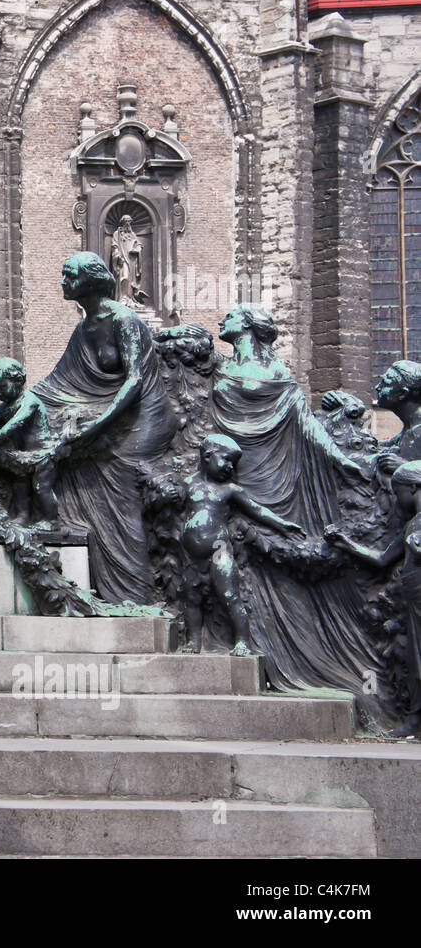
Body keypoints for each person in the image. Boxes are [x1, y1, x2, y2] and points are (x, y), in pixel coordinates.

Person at [210, 303, 390, 723]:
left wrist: (339, 459)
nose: (224, 321)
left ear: (250, 326)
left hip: (274, 475)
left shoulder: (277, 377)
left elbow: (305, 422)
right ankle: (240, 634)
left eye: (233, 316)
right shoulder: (217, 371)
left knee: (277, 553)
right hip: (231, 469)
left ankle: (294, 644)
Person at [29, 252, 176, 604]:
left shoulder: (124, 319)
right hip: (109, 414)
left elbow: (136, 381)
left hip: (143, 419)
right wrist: (21, 407)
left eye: (68, 275)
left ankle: (134, 594)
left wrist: (96, 425)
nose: (62, 281)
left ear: (89, 279)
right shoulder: (84, 328)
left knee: (117, 489)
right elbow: (57, 384)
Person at [180, 434, 304, 655]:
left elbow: (256, 510)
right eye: (227, 460)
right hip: (191, 555)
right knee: (191, 598)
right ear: (208, 457)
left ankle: (242, 641)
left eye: (233, 464)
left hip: (218, 550)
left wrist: (283, 525)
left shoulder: (230, 490)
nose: (230, 467)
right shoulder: (189, 484)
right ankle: (193, 642)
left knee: (229, 595)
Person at [326, 460, 421, 736]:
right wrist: (346, 543)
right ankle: (415, 720)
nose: (395, 498)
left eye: (398, 491)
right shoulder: (412, 524)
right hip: (413, 603)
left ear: (414, 488)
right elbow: (382, 559)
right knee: (415, 660)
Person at [0, 357, 59, 526]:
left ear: (18, 380)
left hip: (41, 455)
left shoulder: (30, 401)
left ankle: (51, 520)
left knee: (41, 487)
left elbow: (17, 422)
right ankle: (23, 517)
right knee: (19, 486)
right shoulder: (5, 406)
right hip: (21, 455)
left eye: (2, 387)